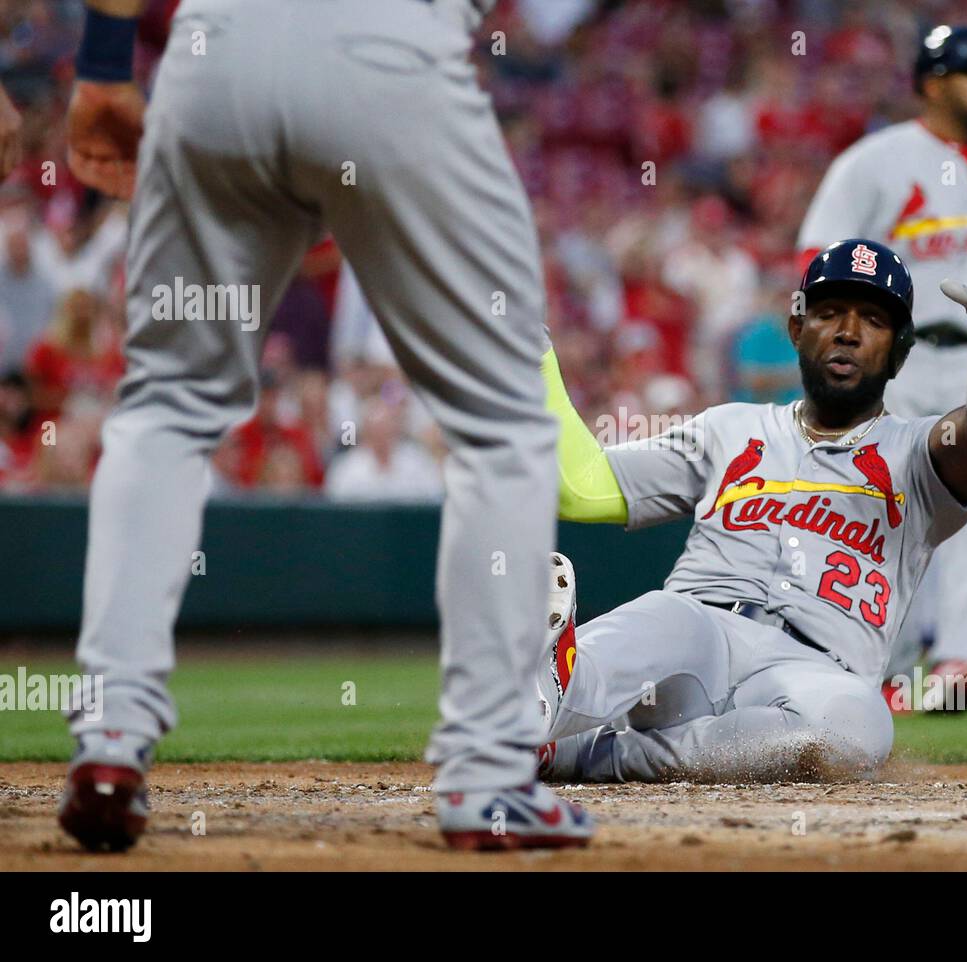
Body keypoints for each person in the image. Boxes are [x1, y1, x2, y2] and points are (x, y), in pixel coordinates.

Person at [57, 0, 590, 852]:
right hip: (391, 47)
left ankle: (112, 734)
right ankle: (488, 776)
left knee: (165, 404)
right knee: (502, 421)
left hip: (213, 53)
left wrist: (105, 63)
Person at [533, 232, 967, 782]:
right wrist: (533, 355)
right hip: (697, 636)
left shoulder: (921, 454)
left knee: (854, 733)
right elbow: (583, 486)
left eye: (874, 322)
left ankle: (584, 752)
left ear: (900, 354)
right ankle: (537, 698)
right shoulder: (727, 428)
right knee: (662, 616)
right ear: (797, 330)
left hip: (816, 673)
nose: (848, 332)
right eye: (829, 313)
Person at [797, 25, 967, 709]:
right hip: (900, 355)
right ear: (933, 82)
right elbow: (817, 258)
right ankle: (878, 665)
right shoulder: (876, 160)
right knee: (885, 503)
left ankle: (963, 667)